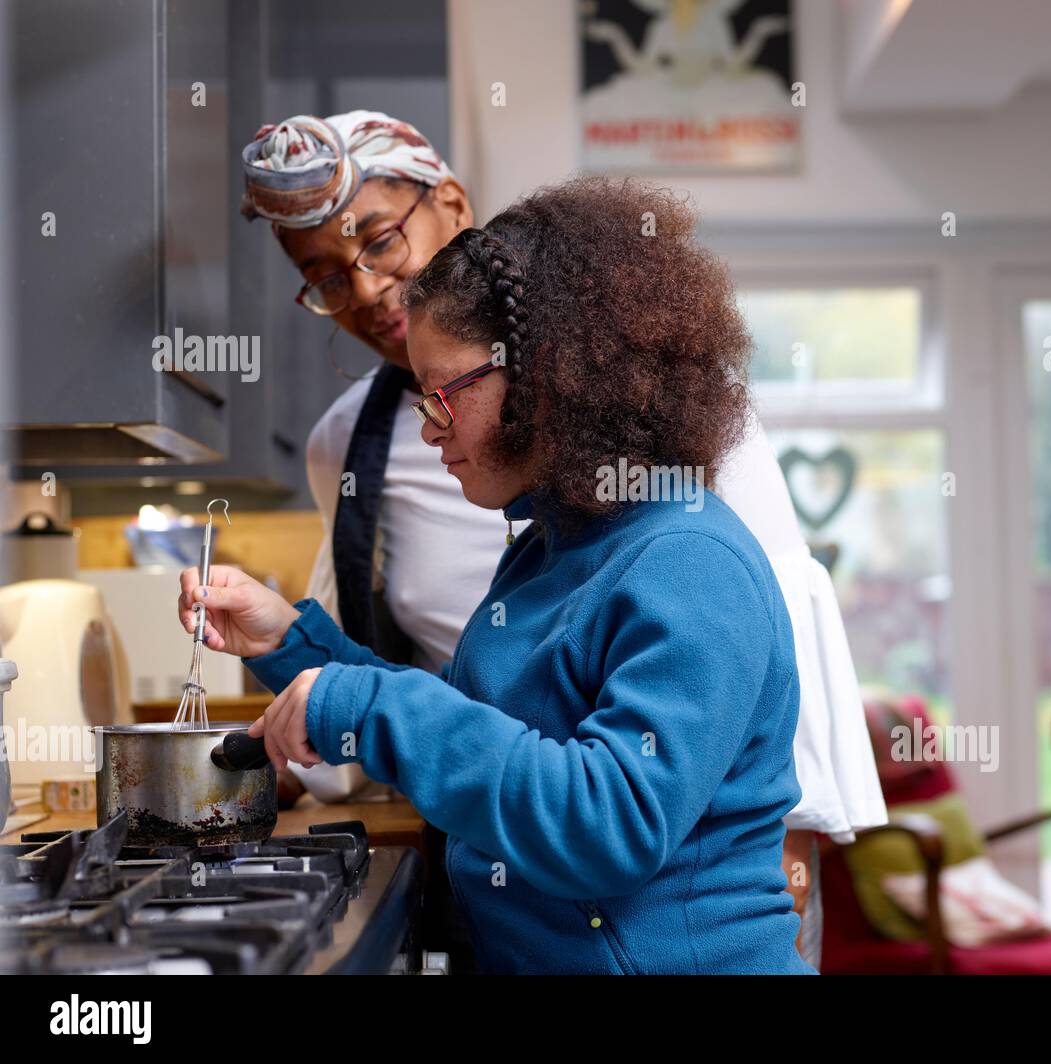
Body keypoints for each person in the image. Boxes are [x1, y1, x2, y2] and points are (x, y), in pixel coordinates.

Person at [239, 110, 884, 970]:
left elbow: (607, 821)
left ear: (549, 375)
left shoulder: (687, 558)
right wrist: (296, 647)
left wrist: (367, 707)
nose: (427, 426)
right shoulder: (544, 546)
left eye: (446, 393)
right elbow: (492, 727)